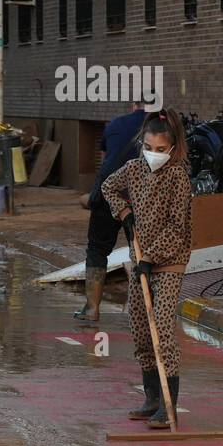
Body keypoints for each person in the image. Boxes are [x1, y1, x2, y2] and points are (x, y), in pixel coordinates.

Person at [101, 111, 195, 430]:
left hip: (168, 261)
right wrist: (124, 212)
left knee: (162, 328)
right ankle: (152, 397)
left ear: (172, 148)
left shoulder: (178, 178)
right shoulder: (133, 169)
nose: (153, 154)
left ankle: (170, 403)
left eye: (160, 149)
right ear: (142, 143)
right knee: (140, 326)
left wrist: (150, 257)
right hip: (140, 260)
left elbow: (177, 227)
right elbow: (107, 188)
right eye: (149, 147)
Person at [73, 101, 145, 321]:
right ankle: (144, 311)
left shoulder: (115, 123)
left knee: (97, 248)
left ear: (135, 105)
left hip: (108, 192)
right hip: (142, 196)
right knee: (143, 251)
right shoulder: (162, 126)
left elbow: (105, 163)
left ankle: (92, 308)